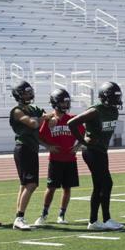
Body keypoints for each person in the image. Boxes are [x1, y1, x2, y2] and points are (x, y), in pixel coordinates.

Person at [68, 81, 124, 231]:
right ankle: (106, 219)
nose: (117, 100)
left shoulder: (113, 111)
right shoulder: (95, 110)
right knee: (107, 183)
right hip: (92, 151)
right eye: (114, 97)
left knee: (99, 185)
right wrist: (81, 142)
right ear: (104, 97)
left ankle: (93, 221)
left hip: (101, 150)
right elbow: (72, 123)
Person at [36, 88, 80, 225]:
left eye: (67, 102)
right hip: (55, 160)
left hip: (70, 160)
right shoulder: (48, 120)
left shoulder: (72, 119)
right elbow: (37, 136)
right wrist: (48, 147)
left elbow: (84, 134)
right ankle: (44, 214)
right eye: (63, 103)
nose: (66, 105)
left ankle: (61, 215)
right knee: (51, 188)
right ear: (55, 103)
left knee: (67, 188)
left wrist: (78, 146)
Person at [9, 80, 45, 230]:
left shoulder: (34, 108)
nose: (29, 94)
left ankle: (19, 217)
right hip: (23, 148)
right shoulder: (16, 111)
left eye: (30, 92)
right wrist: (45, 117)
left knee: (24, 184)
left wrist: (51, 118)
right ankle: (19, 217)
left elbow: (50, 122)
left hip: (31, 148)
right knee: (31, 184)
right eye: (25, 92)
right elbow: (33, 124)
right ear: (18, 95)